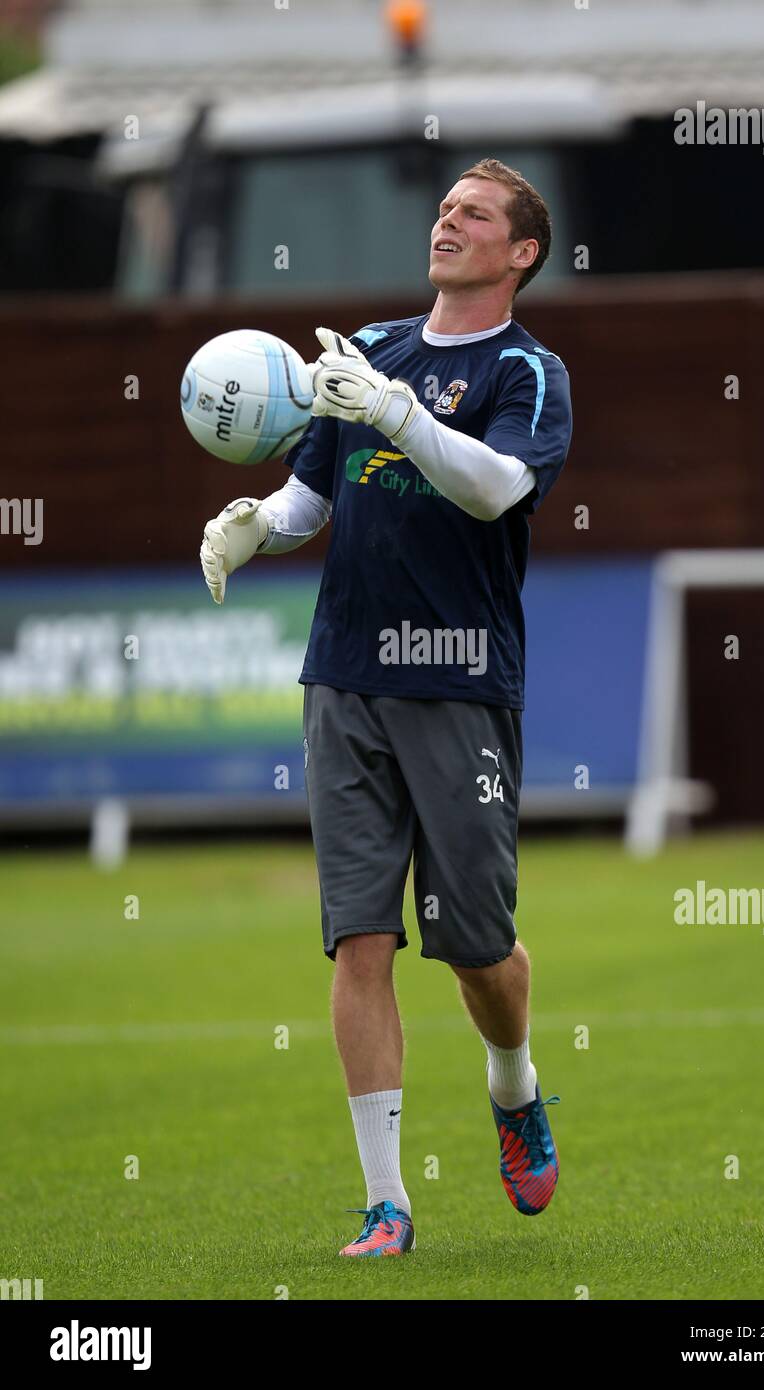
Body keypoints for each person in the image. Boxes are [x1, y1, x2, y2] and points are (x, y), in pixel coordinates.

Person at [200, 157, 573, 1257]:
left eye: (475, 212)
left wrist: (400, 412)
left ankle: (512, 1085)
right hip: (343, 675)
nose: (448, 218)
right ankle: (386, 1203)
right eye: (445, 205)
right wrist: (254, 523)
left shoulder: (527, 370)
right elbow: (312, 494)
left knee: (478, 948)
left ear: (520, 254)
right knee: (358, 939)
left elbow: (496, 486)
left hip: (457, 677)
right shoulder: (368, 350)